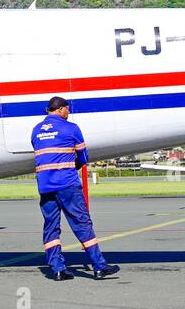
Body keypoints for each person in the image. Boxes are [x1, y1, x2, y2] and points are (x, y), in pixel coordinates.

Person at [31, 97, 119, 281]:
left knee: (51, 227)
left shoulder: (36, 131)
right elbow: (83, 157)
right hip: (67, 184)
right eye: (67, 110)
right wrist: (72, 166)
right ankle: (99, 266)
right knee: (82, 223)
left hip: (45, 187)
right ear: (61, 109)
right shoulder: (71, 128)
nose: (68, 113)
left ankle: (57, 269)